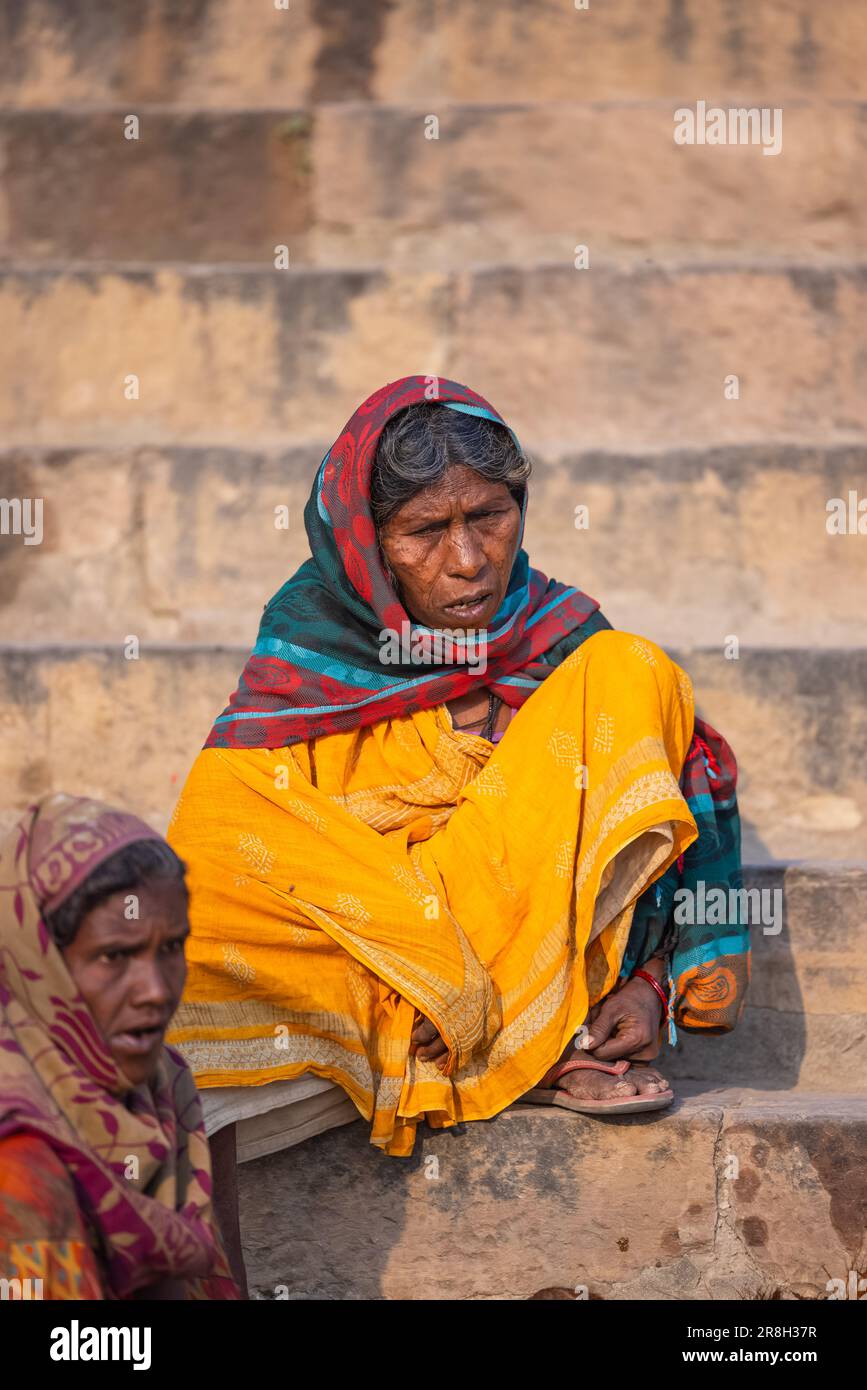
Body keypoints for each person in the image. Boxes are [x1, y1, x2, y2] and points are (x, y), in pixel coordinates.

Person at [166, 374, 749, 1276]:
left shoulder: (565, 643)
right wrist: (427, 971)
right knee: (183, 940)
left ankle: (526, 1009)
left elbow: (639, 820)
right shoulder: (308, 652)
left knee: (638, 671)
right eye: (425, 532)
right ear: (368, 544)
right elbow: (232, 846)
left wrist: (646, 982)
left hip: (476, 952)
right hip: (374, 956)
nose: (470, 559)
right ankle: (522, 1021)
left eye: (490, 516)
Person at [0, 793, 240, 1300]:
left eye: (171, 947)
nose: (155, 990)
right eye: (114, 956)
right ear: (40, 965)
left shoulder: (160, 1088)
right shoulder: (19, 1166)